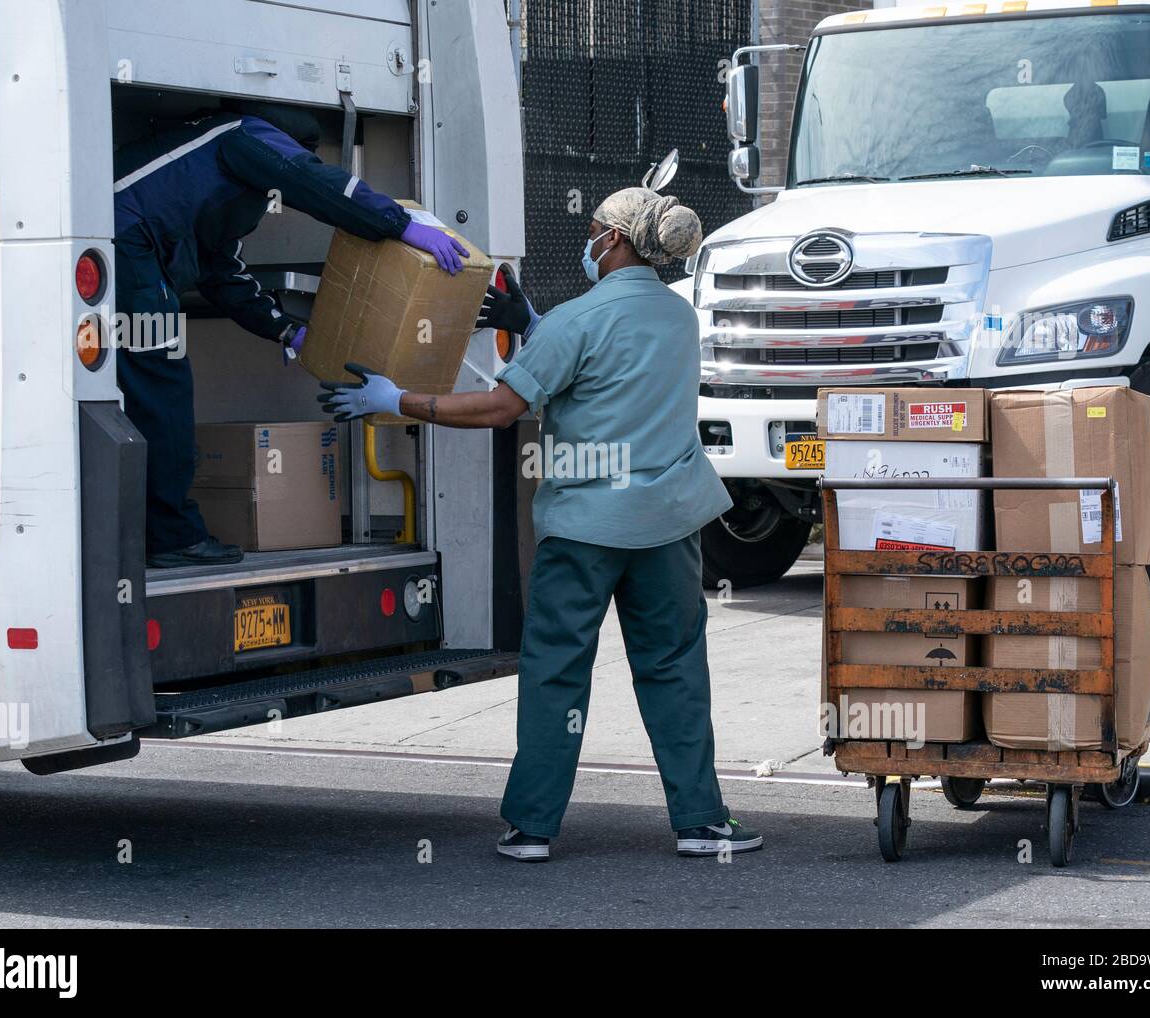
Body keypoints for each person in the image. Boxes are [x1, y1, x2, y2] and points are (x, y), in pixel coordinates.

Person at [319, 187, 763, 862]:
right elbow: (613, 359)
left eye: (592, 230)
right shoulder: (680, 319)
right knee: (674, 669)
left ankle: (532, 828)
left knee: (556, 671)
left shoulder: (574, 322)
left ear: (613, 240)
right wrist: (530, 319)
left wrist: (397, 398)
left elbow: (502, 408)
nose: (586, 241)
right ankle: (700, 822)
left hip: (585, 528)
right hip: (669, 525)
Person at [113, 104, 467, 568]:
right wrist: (400, 225)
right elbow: (313, 182)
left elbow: (222, 273)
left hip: (130, 242)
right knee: (162, 385)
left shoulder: (226, 189)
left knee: (153, 388)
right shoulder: (243, 135)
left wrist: (287, 331)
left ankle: (154, 530)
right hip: (122, 238)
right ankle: (172, 537)